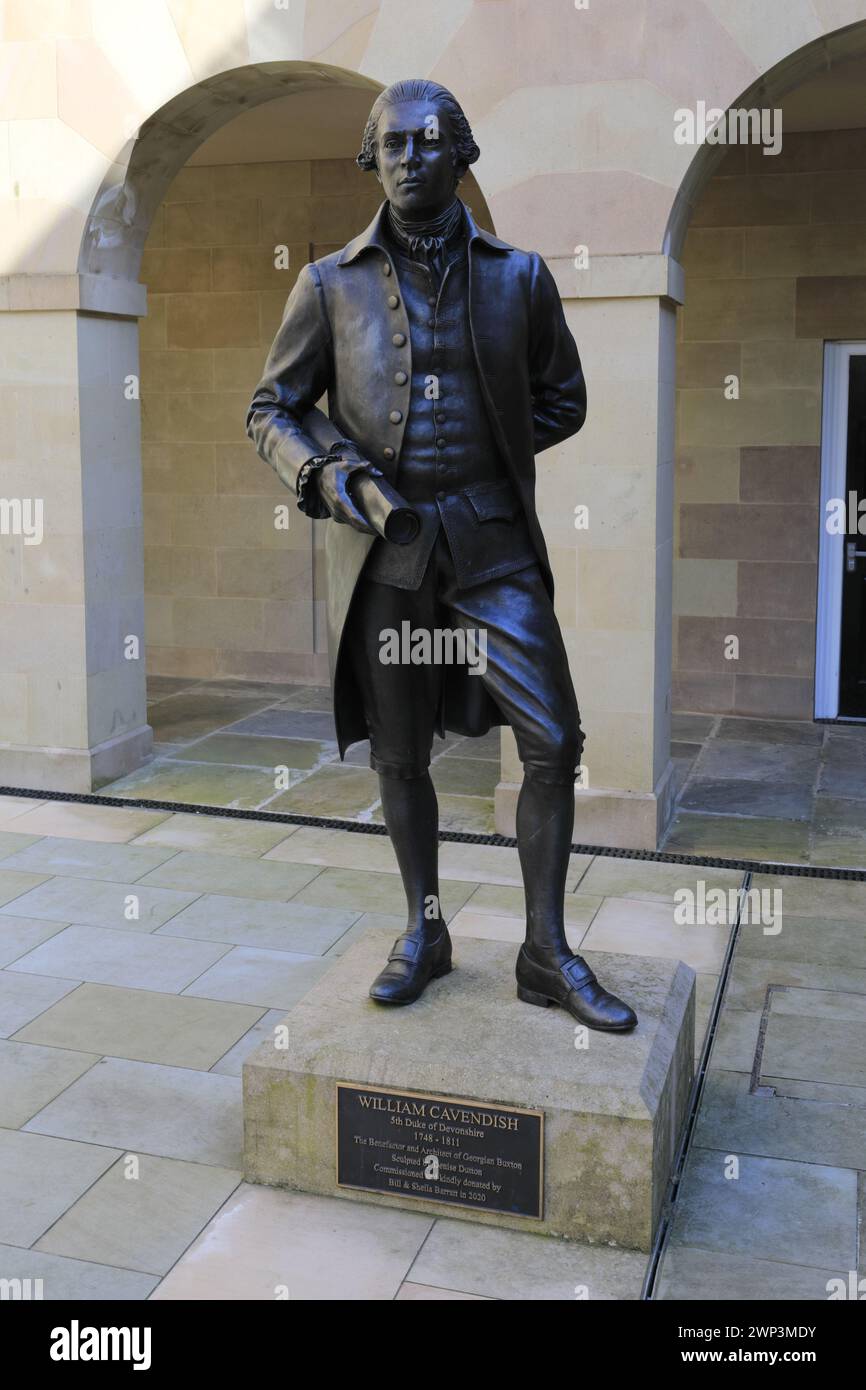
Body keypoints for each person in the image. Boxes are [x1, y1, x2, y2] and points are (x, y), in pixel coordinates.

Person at [247, 79, 637, 1033]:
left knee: (553, 739)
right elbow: (272, 411)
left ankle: (545, 950)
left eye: (430, 143)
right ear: (370, 160)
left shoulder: (520, 277)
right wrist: (335, 480)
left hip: (493, 546)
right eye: (393, 145)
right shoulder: (328, 284)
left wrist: (493, 452)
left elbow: (564, 398)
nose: (412, 158)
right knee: (399, 751)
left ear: (462, 155)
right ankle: (426, 931)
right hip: (389, 552)